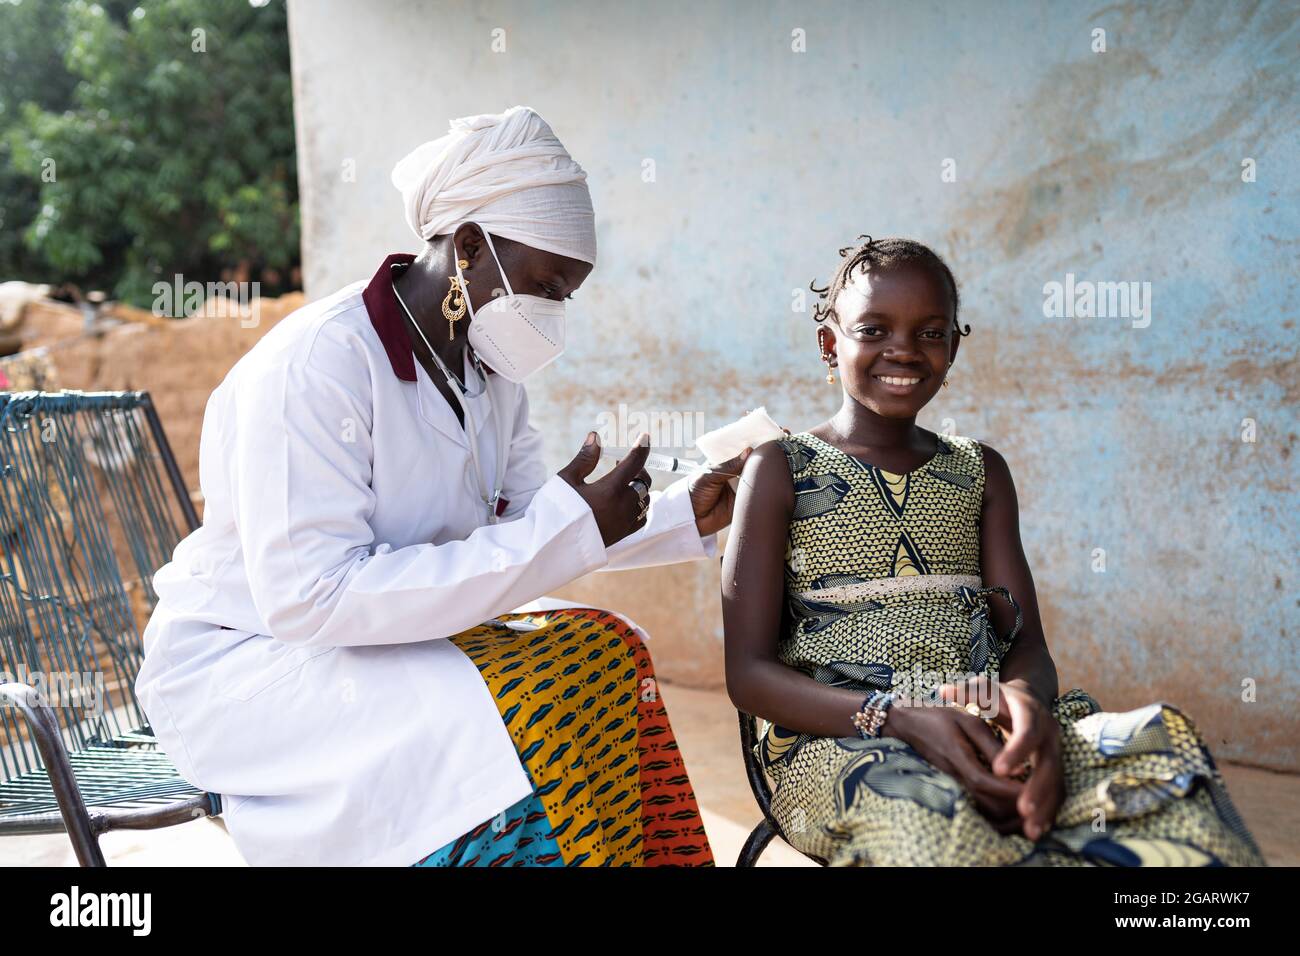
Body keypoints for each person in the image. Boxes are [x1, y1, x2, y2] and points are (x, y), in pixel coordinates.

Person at [136, 106, 744, 867]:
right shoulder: (318, 367)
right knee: (503, 718)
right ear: (466, 247)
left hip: (383, 641)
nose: (552, 312)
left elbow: (536, 523)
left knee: (606, 651)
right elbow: (309, 597)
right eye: (544, 283)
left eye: (567, 294)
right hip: (254, 664)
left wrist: (687, 508)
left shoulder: (485, 371)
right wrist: (567, 526)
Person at [720, 234, 1266, 866]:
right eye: (874, 328)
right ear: (829, 344)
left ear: (953, 347)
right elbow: (748, 674)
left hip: (985, 717)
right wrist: (896, 717)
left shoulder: (980, 470)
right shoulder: (782, 467)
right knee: (939, 827)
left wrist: (1031, 718)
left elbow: (1024, 642)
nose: (903, 348)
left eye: (930, 332)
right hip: (844, 734)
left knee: (1163, 758)